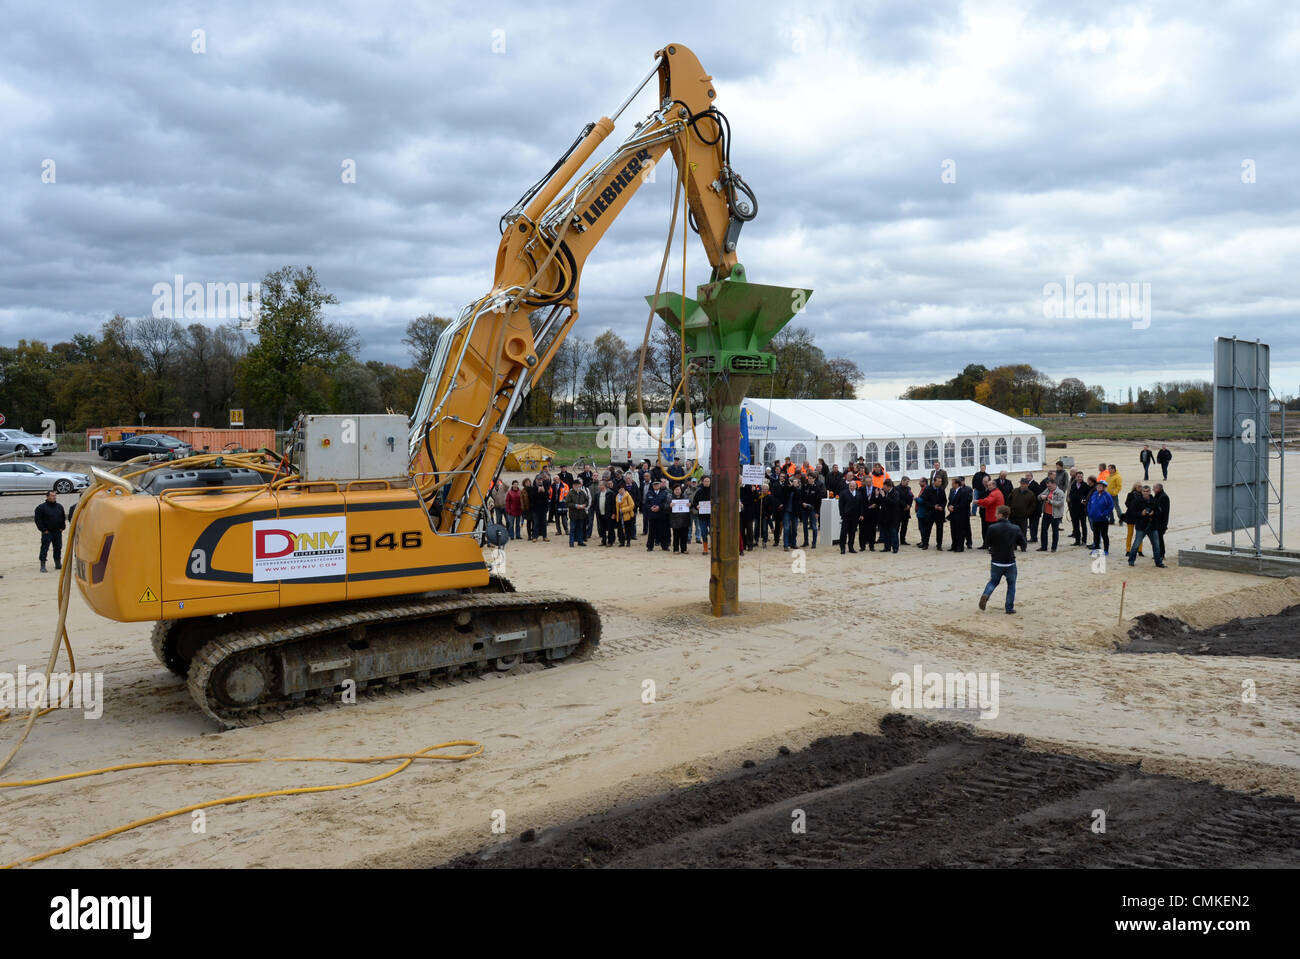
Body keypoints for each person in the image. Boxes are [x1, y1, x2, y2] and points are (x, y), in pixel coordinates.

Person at [979, 505, 1025, 614]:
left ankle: (986, 594)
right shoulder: (1015, 528)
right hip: (1009, 561)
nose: (995, 515)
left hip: (996, 560)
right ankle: (1009, 608)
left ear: (1001, 515)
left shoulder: (992, 528)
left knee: (993, 581)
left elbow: (987, 543)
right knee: (1011, 585)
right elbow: (1023, 543)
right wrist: (1015, 543)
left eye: (996, 513)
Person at [1127, 487, 1162, 567]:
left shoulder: (1154, 500)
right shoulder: (1136, 501)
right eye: (1144, 491)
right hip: (1141, 526)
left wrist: (1153, 513)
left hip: (1152, 526)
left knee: (1156, 545)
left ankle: (1158, 562)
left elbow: (1159, 512)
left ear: (1150, 492)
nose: (1146, 493)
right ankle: (1131, 560)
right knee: (1136, 545)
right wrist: (1141, 514)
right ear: (1142, 492)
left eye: (1147, 491)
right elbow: (1132, 513)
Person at [36, 490, 66, 572]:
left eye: (55, 495)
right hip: (47, 532)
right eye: (52, 496)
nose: (54, 497)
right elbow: (38, 520)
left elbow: (63, 517)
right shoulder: (41, 507)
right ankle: (42, 565)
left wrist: (62, 527)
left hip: (57, 531)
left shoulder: (59, 506)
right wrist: (43, 530)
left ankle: (58, 563)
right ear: (47, 496)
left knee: (58, 547)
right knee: (44, 548)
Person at [975, 476, 1004, 550]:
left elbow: (987, 501)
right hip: (991, 514)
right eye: (987, 485)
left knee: (994, 533)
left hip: (993, 516)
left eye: (989, 485)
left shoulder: (994, 493)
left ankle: (994, 547)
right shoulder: (996, 492)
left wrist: (978, 501)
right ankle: (989, 545)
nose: (988, 486)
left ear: (994, 485)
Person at [1087, 479, 1114, 556]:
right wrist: (1090, 512)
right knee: (1096, 534)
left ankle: (1106, 550)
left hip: (1103, 519)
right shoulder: (1094, 494)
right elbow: (1089, 503)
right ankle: (1095, 549)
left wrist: (1104, 514)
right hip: (1094, 518)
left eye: (1100, 486)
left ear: (1104, 487)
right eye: (1098, 485)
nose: (1098, 487)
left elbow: (1111, 506)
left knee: (1104, 534)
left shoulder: (1107, 495)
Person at [1036, 478, 1064, 552]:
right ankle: (1044, 546)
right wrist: (1041, 497)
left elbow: (1060, 503)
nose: (1049, 487)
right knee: (1043, 531)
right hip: (1046, 513)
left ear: (1054, 484)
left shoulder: (1060, 492)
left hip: (1055, 515)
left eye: (1050, 486)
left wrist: (1050, 501)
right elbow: (1039, 496)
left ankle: (1054, 548)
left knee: (1055, 532)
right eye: (1048, 486)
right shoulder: (1047, 490)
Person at [1007, 477, 1036, 551]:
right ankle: (1013, 546)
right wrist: (1010, 510)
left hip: (1023, 517)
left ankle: (1023, 547)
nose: (1022, 485)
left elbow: (1032, 506)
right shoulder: (1015, 491)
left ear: (1027, 484)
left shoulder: (1031, 494)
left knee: (1023, 532)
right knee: (1012, 532)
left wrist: (1026, 514)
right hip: (1013, 516)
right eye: (1021, 483)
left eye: (1024, 484)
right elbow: (1009, 500)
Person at [946, 477, 972, 551]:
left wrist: (954, 507)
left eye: (953, 483)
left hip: (960, 514)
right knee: (953, 530)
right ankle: (954, 545)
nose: (951, 485)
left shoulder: (963, 491)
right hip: (953, 515)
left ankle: (960, 546)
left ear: (957, 484)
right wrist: (949, 507)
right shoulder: (952, 491)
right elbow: (950, 501)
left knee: (960, 531)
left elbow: (963, 503)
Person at [644, 479, 671, 551]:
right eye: (654, 485)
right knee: (651, 532)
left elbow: (665, 503)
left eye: (657, 484)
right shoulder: (649, 493)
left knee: (663, 531)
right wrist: (651, 507)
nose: (656, 486)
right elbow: (646, 503)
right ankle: (650, 546)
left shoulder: (664, 493)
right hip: (652, 515)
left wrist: (659, 507)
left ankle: (664, 546)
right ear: (652, 486)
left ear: (660, 485)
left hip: (661, 514)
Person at [1121, 480, 1145, 557]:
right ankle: (1128, 550)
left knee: (1139, 534)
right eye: (1139, 486)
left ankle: (1140, 550)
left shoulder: (1143, 495)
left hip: (1139, 517)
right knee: (1130, 534)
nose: (1140, 488)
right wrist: (1134, 508)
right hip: (1131, 516)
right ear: (1135, 487)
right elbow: (1127, 503)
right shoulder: (1130, 494)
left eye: (1141, 486)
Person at [878, 479, 902, 553]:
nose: (883, 488)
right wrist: (878, 495)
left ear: (889, 487)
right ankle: (887, 547)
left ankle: (895, 548)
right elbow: (881, 502)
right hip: (884, 517)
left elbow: (894, 503)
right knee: (886, 533)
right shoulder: (885, 492)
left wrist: (884, 497)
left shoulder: (895, 493)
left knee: (893, 533)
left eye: (884, 487)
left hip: (893, 517)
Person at [838, 478, 861, 553]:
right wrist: (842, 514)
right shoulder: (843, 493)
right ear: (849, 486)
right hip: (846, 516)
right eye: (851, 486)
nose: (852, 487)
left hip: (855, 517)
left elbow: (861, 505)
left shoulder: (858, 493)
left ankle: (851, 547)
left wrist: (861, 514)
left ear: (856, 486)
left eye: (854, 486)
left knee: (852, 533)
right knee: (843, 533)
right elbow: (840, 505)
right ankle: (842, 548)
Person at [1067, 471, 1090, 545]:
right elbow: (1070, 494)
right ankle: (1077, 541)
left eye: (1081, 477)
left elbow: (1088, 496)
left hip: (1082, 509)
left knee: (1083, 525)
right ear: (1076, 477)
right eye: (1078, 477)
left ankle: (1084, 540)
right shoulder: (1073, 484)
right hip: (1074, 508)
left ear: (1083, 477)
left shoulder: (1085, 485)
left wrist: (1084, 500)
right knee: (1075, 525)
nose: (1080, 478)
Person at [691, 475, 712, 553]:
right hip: (702, 517)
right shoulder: (699, 491)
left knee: (712, 532)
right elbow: (694, 502)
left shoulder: (714, 491)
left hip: (711, 516)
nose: (707, 482)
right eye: (705, 481)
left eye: (708, 481)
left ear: (710, 482)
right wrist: (697, 506)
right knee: (703, 533)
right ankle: (705, 548)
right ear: (703, 482)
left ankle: (712, 546)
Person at [566, 480, 591, 547]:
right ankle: (571, 542)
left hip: (581, 514)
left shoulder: (582, 493)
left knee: (580, 528)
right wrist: (576, 506)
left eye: (579, 485)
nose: (578, 486)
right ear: (573, 486)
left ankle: (580, 541)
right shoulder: (570, 493)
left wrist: (584, 505)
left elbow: (587, 501)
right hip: (573, 514)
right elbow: (567, 503)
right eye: (576, 485)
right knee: (572, 529)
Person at [1151, 483, 1170, 567]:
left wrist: (1164, 524)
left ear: (1159, 488)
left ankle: (1161, 554)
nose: (1153, 490)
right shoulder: (1158, 495)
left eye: (1154, 488)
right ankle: (1158, 554)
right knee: (1157, 539)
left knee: (1159, 539)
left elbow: (1163, 512)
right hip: (1157, 522)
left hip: (1161, 522)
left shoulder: (1163, 497)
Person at [859, 480, 882, 551]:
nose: (868, 483)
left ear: (872, 482)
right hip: (863, 513)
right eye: (867, 482)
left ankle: (871, 546)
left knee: (872, 530)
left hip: (873, 513)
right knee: (862, 530)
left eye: (869, 482)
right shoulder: (861, 489)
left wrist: (876, 502)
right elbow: (859, 501)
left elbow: (880, 501)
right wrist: (861, 513)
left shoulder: (877, 489)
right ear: (865, 483)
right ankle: (862, 546)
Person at [670, 484, 692, 553]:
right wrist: (669, 506)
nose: (677, 491)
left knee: (684, 536)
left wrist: (690, 505)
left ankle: (684, 549)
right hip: (675, 520)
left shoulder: (685, 497)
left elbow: (691, 504)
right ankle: (676, 549)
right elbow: (665, 507)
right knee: (676, 535)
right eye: (676, 489)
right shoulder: (670, 498)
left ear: (681, 490)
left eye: (678, 489)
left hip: (685, 519)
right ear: (673, 491)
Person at [615, 481, 637, 546]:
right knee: (620, 529)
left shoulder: (628, 496)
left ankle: (628, 541)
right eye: (620, 489)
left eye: (622, 489)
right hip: (620, 516)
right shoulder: (617, 496)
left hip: (627, 515)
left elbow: (632, 505)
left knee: (628, 529)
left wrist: (623, 510)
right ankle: (622, 542)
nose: (621, 491)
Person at [896, 477, 914, 545]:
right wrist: (905, 506)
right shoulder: (897, 488)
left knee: (904, 526)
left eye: (908, 482)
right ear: (902, 481)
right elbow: (898, 499)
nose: (907, 483)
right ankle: (896, 540)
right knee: (897, 526)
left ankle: (903, 540)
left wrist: (909, 505)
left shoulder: (909, 488)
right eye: (906, 482)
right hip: (899, 510)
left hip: (906, 511)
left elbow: (911, 496)